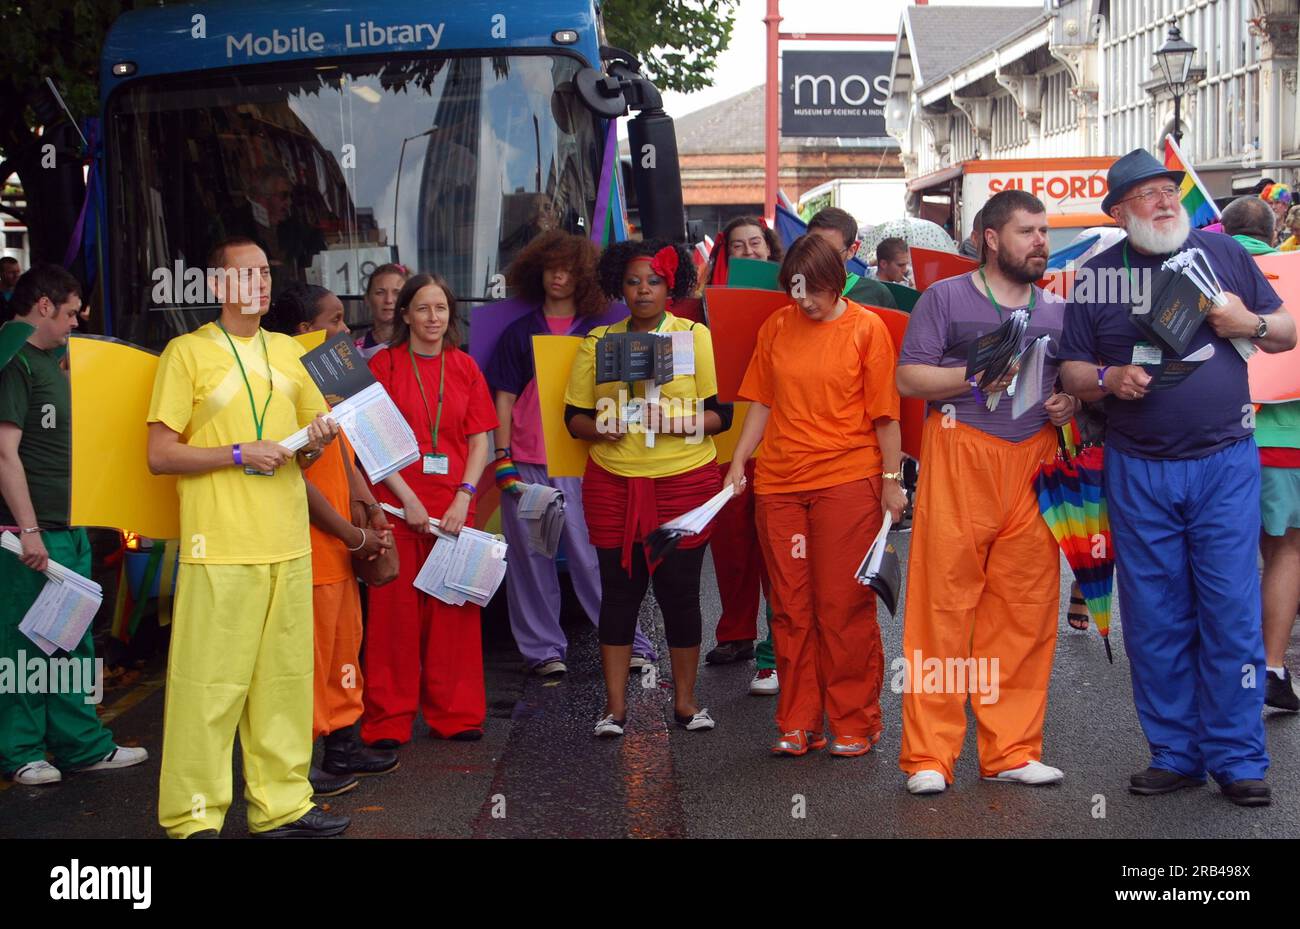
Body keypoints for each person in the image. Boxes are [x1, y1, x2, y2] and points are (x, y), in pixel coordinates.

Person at [1058, 148, 1297, 807]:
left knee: (1229, 611)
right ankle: (1175, 752)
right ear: (1118, 212)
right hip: (1140, 467)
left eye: (1169, 190)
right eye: (1147, 195)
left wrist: (1244, 321)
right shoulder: (1095, 278)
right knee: (1156, 616)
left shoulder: (1225, 257)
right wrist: (1107, 380)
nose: (1165, 201)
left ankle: (1240, 757)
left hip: (1225, 460)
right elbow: (1071, 372)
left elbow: (1285, 331)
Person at [147, 237, 347, 838]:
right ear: (216, 285)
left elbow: (306, 452)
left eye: (265, 272)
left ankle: (281, 805)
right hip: (219, 545)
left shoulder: (289, 353)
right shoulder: (185, 353)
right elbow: (160, 455)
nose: (259, 283)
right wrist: (237, 452)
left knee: (283, 687)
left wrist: (317, 438)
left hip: (286, 540)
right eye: (246, 274)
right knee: (207, 690)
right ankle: (193, 818)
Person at [896, 189, 1077, 795]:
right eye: (1028, 231)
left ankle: (1012, 749)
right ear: (991, 238)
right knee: (943, 607)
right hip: (959, 450)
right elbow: (909, 376)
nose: (1041, 242)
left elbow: (1068, 385)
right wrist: (971, 375)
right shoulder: (944, 297)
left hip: (1033, 458)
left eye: (1044, 232)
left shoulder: (1057, 310)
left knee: (1024, 610)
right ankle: (930, 754)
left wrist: (1067, 402)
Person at [725, 235, 905, 756]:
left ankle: (854, 720)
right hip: (779, 484)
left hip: (847, 481)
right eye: (796, 292)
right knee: (788, 606)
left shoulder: (866, 328)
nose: (804, 302)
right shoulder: (776, 326)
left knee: (841, 604)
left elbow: (885, 414)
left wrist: (892, 484)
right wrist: (739, 460)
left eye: (814, 291)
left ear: (836, 280)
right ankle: (799, 719)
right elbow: (759, 400)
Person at [564, 239, 730, 737]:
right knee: (619, 593)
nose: (643, 290)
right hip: (614, 483)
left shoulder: (694, 336)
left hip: (685, 481)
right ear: (620, 286)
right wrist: (601, 428)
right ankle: (614, 709)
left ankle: (685, 703)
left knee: (680, 594)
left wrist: (678, 421)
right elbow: (573, 418)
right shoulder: (596, 342)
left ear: (669, 286)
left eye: (653, 281)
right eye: (634, 281)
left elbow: (721, 415)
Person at [0, 266, 149, 786]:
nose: (76, 320)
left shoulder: (48, 360)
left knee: (70, 640)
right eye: (69, 311)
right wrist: (28, 530)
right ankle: (22, 751)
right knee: (27, 644)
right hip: (33, 531)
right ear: (43, 305)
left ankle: (80, 744)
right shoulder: (14, 358)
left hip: (67, 525)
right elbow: (4, 452)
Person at [486, 230, 656, 675]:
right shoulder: (518, 332)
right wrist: (501, 457)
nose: (558, 276)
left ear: (583, 277)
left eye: (568, 269)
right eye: (550, 267)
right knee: (532, 560)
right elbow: (502, 398)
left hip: (588, 461)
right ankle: (543, 652)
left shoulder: (601, 332)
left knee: (597, 556)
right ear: (536, 271)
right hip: (527, 463)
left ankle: (628, 640)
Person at [264, 284, 400, 795]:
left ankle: (344, 747)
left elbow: (345, 450)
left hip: (343, 542)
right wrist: (350, 533)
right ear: (304, 332)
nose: (346, 331)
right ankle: (302, 767)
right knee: (313, 656)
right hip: (315, 544)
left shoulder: (327, 374)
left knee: (346, 644)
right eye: (336, 320)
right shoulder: (282, 383)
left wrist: (366, 505)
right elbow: (295, 482)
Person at [361, 273, 496, 746]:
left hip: (455, 511)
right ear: (404, 315)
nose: (433, 318)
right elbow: (370, 442)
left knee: (453, 615)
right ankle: (388, 721)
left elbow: (480, 439)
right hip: (396, 510)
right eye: (422, 309)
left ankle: (456, 716)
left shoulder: (464, 366)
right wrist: (407, 499)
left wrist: (464, 494)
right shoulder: (384, 367)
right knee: (392, 621)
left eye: (441, 309)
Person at [685, 216, 782, 697]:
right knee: (730, 543)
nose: (749, 252)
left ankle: (775, 642)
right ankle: (735, 633)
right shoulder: (706, 302)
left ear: (770, 249)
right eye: (739, 246)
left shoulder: (790, 292)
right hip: (725, 439)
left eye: (756, 244)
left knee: (775, 548)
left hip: (779, 437)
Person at [807, 208, 897, 309]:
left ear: (851, 251)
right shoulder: (793, 287)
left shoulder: (876, 294)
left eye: (831, 253)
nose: (820, 258)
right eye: (813, 249)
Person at [354, 263, 409, 360]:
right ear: (367, 298)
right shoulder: (354, 352)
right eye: (380, 292)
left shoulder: (419, 346)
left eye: (397, 293)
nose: (389, 300)